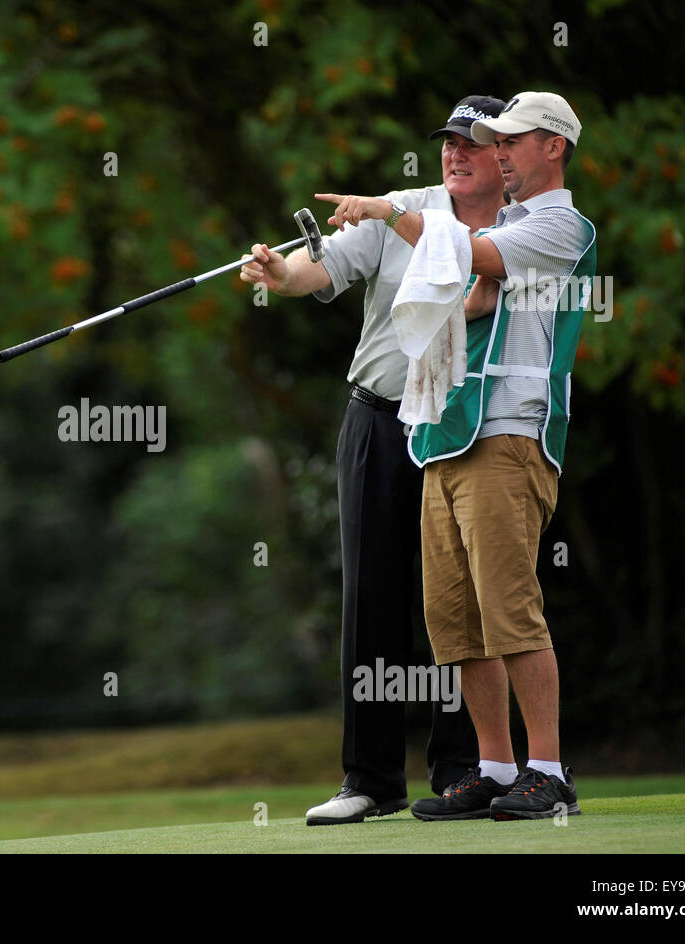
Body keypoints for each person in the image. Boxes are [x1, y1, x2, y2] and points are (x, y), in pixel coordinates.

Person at [317, 91, 595, 820]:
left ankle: (548, 770)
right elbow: (464, 289)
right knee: (456, 620)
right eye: (492, 140)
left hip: (509, 434)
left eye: (512, 139)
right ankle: (496, 770)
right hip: (446, 435)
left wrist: (384, 211)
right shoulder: (500, 216)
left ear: (553, 147)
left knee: (510, 613)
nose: (497, 151)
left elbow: (476, 258)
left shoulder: (560, 224)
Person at [241, 95, 507, 825]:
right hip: (378, 418)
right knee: (372, 599)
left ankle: (465, 770)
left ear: (505, 156)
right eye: (449, 142)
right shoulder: (398, 205)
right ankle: (370, 777)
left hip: (462, 429)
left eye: (473, 144)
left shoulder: (525, 226)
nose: (455, 153)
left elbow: (488, 297)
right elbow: (318, 272)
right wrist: (279, 273)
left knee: (461, 603)